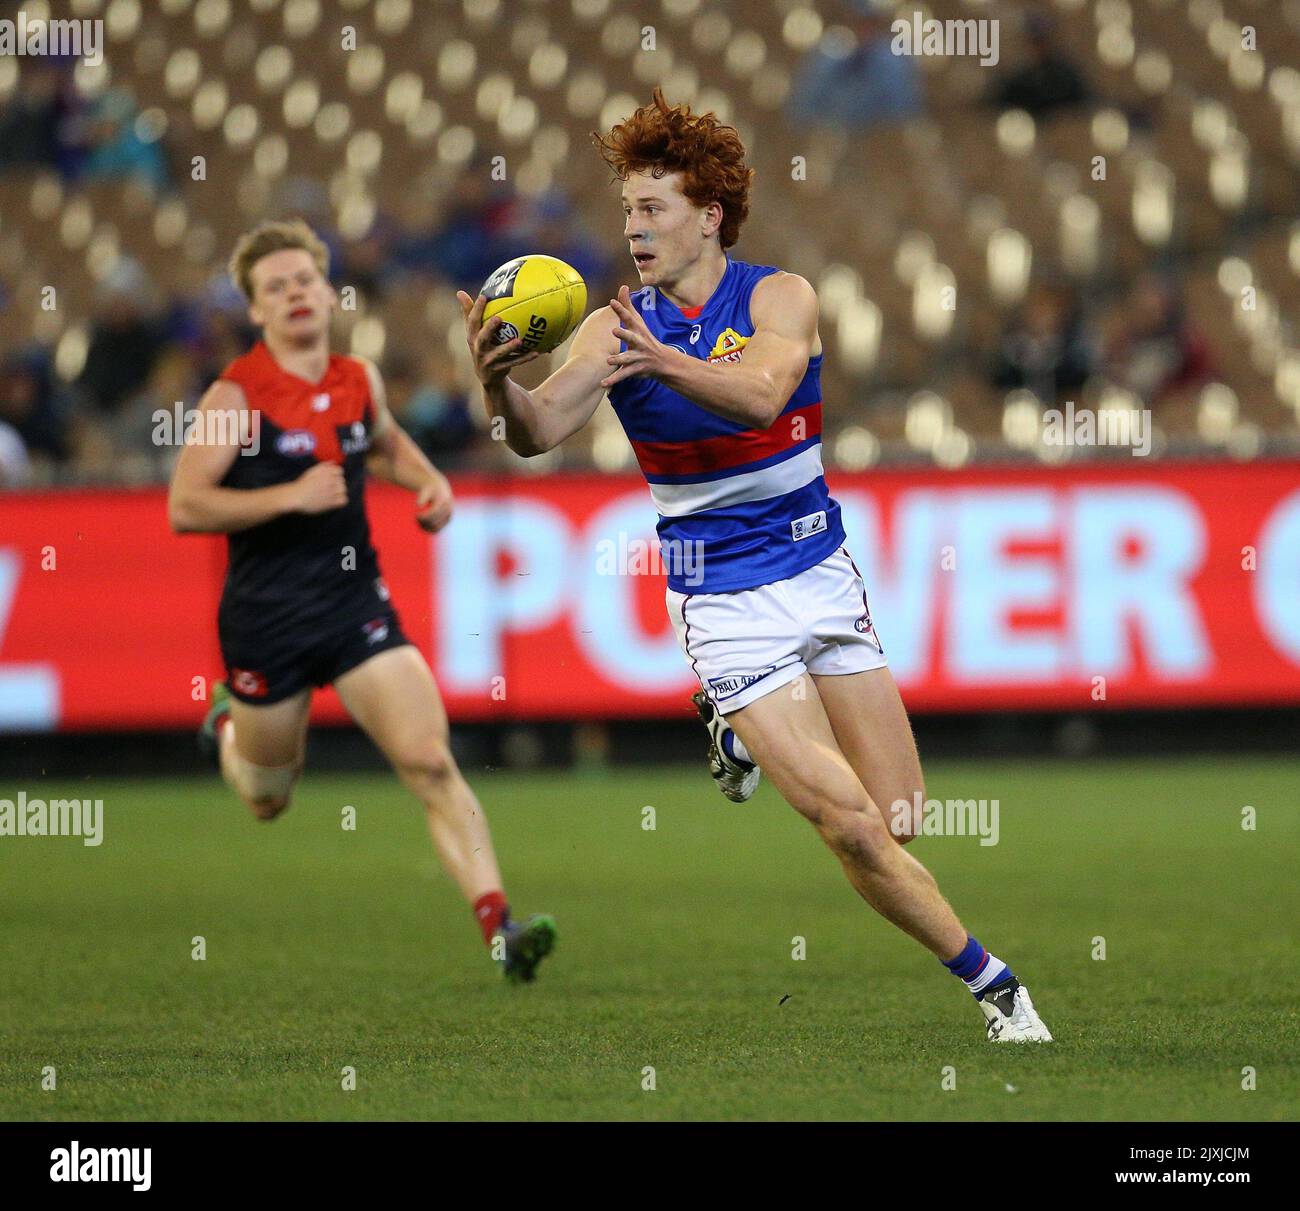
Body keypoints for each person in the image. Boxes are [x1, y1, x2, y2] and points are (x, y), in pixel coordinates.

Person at [457, 90, 1052, 1041]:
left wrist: (664, 362)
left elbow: (765, 397)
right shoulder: (613, 329)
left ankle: (736, 740)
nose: (635, 229)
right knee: (847, 824)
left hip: (819, 570)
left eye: (653, 209)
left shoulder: (781, 296)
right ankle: (998, 990)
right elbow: (535, 434)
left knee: (896, 816)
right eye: (626, 212)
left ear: (709, 215)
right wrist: (494, 379)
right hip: (720, 597)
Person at [168, 219, 555, 983]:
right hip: (265, 618)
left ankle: (500, 927)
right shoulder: (235, 394)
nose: (295, 295)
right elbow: (186, 505)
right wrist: (288, 495)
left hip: (354, 604)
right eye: (275, 287)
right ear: (256, 310)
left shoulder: (357, 378)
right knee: (268, 797)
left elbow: (380, 443)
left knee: (430, 763)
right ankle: (224, 730)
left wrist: (428, 481)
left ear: (325, 289)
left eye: (305, 280)